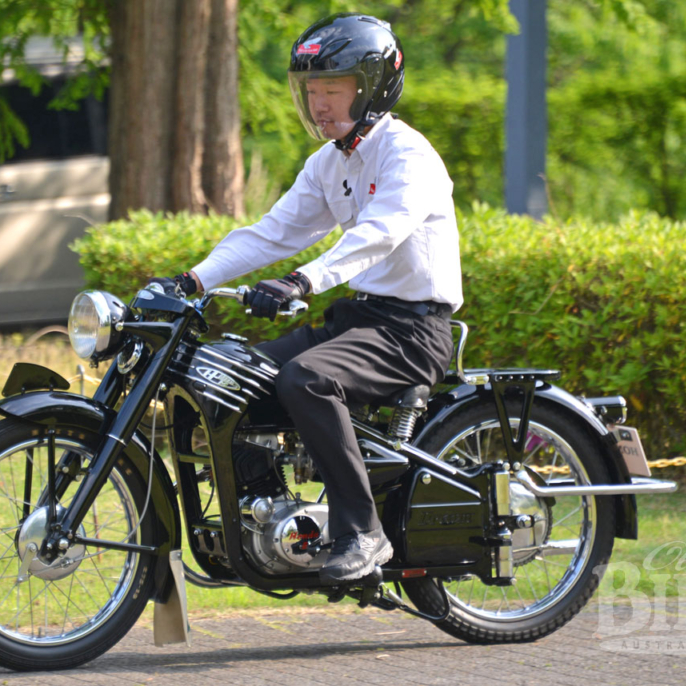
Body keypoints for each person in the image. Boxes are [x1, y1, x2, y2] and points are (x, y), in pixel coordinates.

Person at [154, 13, 462, 582]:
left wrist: (303, 281)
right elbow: (272, 234)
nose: (319, 105)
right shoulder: (329, 163)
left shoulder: (407, 155)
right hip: (359, 320)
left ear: (371, 88)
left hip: (413, 331)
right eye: (311, 91)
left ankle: (363, 533)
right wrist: (191, 281)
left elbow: (380, 233)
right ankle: (274, 526)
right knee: (228, 378)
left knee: (308, 379)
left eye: (332, 90)